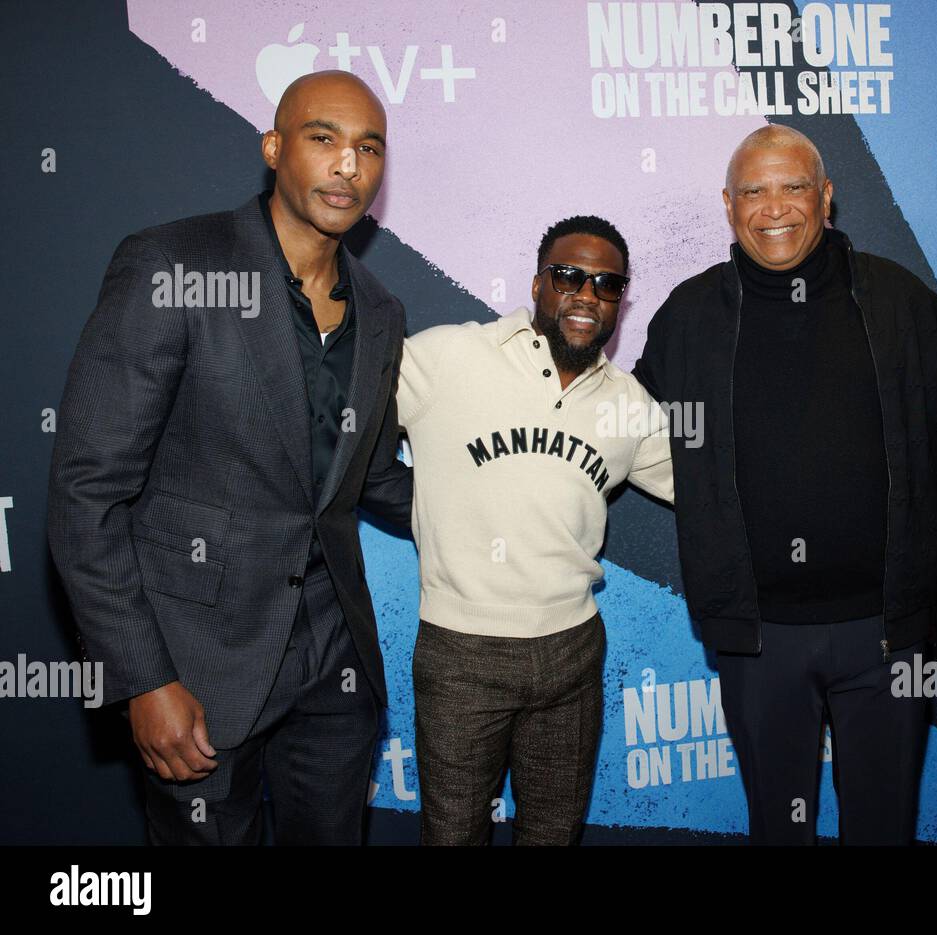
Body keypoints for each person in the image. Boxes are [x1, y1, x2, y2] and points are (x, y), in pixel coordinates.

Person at [46, 71, 412, 845]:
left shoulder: (380, 310)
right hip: (198, 661)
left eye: (368, 149)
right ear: (274, 148)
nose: (348, 166)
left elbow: (372, 477)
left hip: (334, 661)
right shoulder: (172, 264)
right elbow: (88, 492)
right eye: (324, 139)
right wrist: (143, 677)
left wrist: (511, 498)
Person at [633, 125, 937, 844]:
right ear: (727, 203)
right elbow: (635, 435)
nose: (773, 207)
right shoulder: (687, 316)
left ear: (826, 195)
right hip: (759, 636)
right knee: (780, 828)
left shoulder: (901, 300)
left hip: (888, 628)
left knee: (883, 826)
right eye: (754, 190)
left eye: (792, 186)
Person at [397, 216, 673, 845]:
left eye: (607, 284)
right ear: (538, 282)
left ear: (620, 302)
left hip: (573, 650)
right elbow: (339, 428)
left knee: (554, 835)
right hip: (461, 650)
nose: (586, 294)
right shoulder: (449, 357)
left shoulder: (629, 403)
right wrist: (404, 499)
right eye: (568, 275)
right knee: (453, 836)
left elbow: (712, 489)